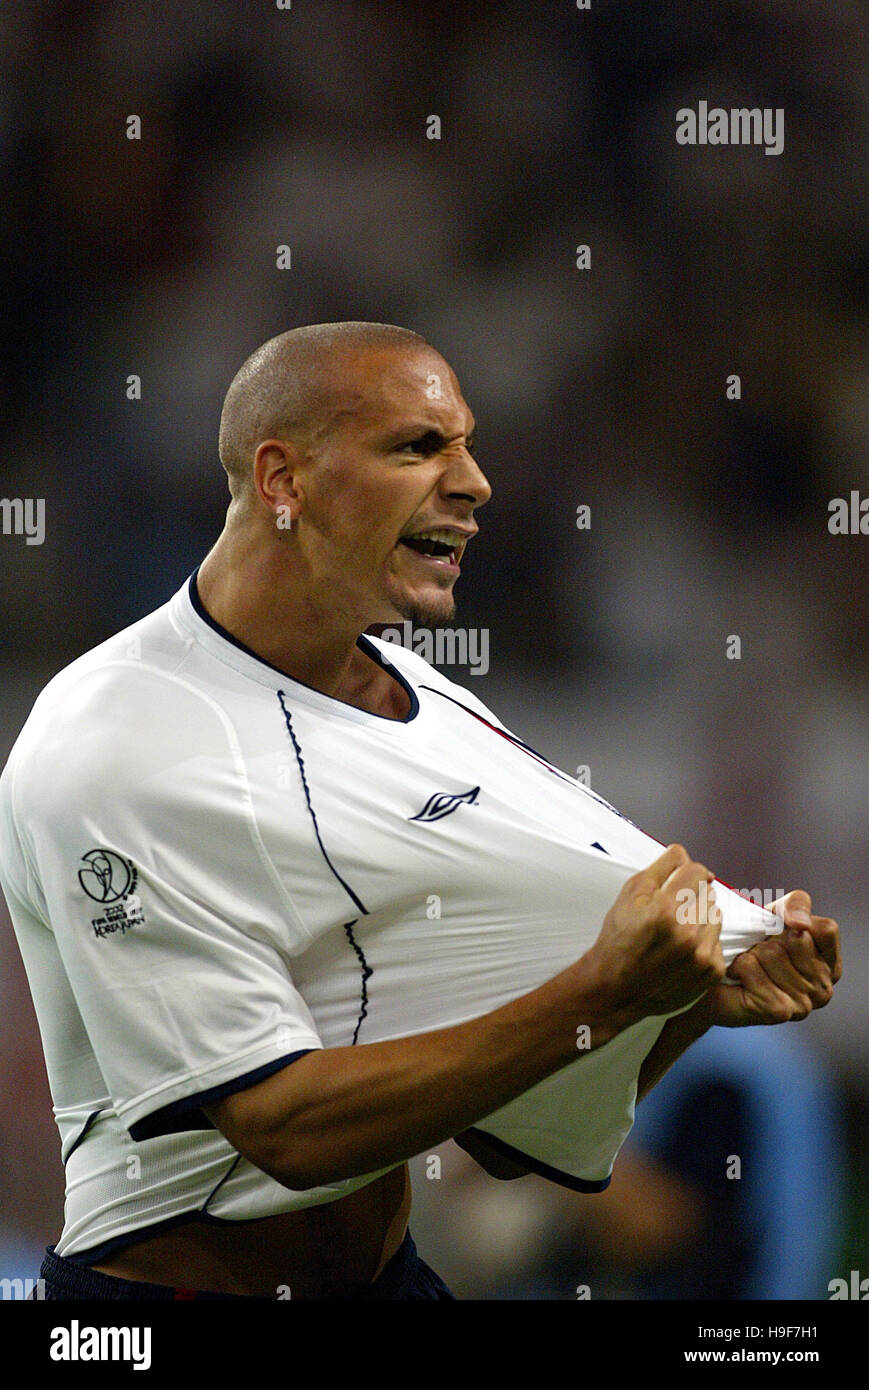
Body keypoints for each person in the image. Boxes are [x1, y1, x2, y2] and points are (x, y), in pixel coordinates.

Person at [0, 322, 841, 1301]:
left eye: (468, 444)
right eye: (417, 446)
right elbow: (284, 1130)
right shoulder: (121, 739)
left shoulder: (426, 698)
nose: (474, 482)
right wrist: (606, 992)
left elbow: (506, 1134)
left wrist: (677, 1000)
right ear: (282, 479)